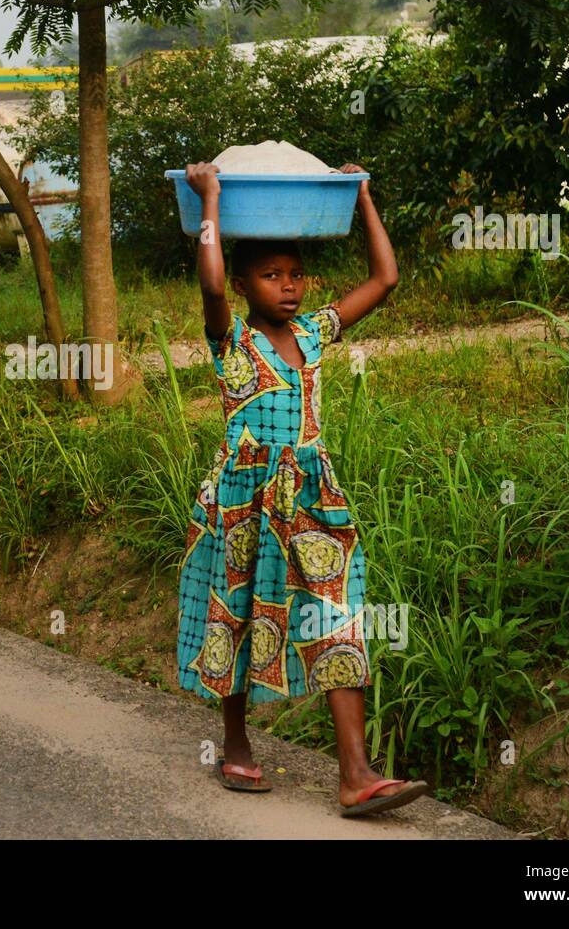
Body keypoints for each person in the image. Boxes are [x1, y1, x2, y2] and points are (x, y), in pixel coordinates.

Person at [177, 161, 427, 816]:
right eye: (270, 275)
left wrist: (365, 194)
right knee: (235, 613)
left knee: (336, 612)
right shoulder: (230, 339)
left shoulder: (315, 331)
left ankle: (356, 773)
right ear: (243, 283)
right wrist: (212, 199)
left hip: (313, 493)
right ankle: (236, 739)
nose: (287, 287)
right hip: (244, 498)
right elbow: (206, 281)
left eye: (295, 274)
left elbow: (385, 279)